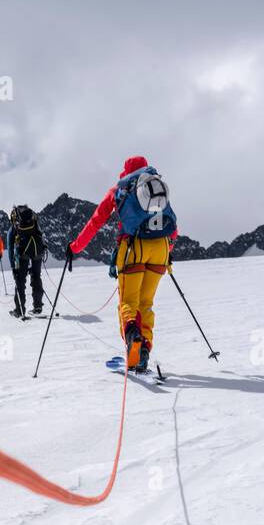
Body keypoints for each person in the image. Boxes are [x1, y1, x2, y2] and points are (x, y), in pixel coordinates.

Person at [66, 156, 177, 373]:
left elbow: (96, 221)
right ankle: (144, 348)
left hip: (133, 248)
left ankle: (132, 337)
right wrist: (167, 251)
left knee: (128, 302)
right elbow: (172, 224)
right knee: (145, 303)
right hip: (161, 250)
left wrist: (75, 247)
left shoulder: (120, 188)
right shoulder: (156, 185)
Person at [7, 204, 45, 317]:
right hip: (37, 250)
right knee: (36, 276)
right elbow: (40, 234)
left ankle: (19, 310)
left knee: (20, 279)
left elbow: (10, 248)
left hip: (23, 252)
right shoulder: (34, 221)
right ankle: (38, 306)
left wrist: (13, 267)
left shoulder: (14, 226)